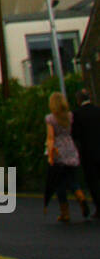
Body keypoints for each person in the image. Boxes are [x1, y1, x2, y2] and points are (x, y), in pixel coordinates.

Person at [45, 91, 88, 223]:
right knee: (72, 179)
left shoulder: (51, 119)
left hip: (59, 151)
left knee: (59, 184)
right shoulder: (69, 116)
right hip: (70, 148)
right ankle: (80, 196)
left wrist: (50, 155)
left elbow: (51, 138)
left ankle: (65, 213)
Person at [71, 89, 100, 219]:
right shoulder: (98, 110)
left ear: (78, 100)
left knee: (93, 181)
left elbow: (75, 134)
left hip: (88, 152)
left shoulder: (77, 114)